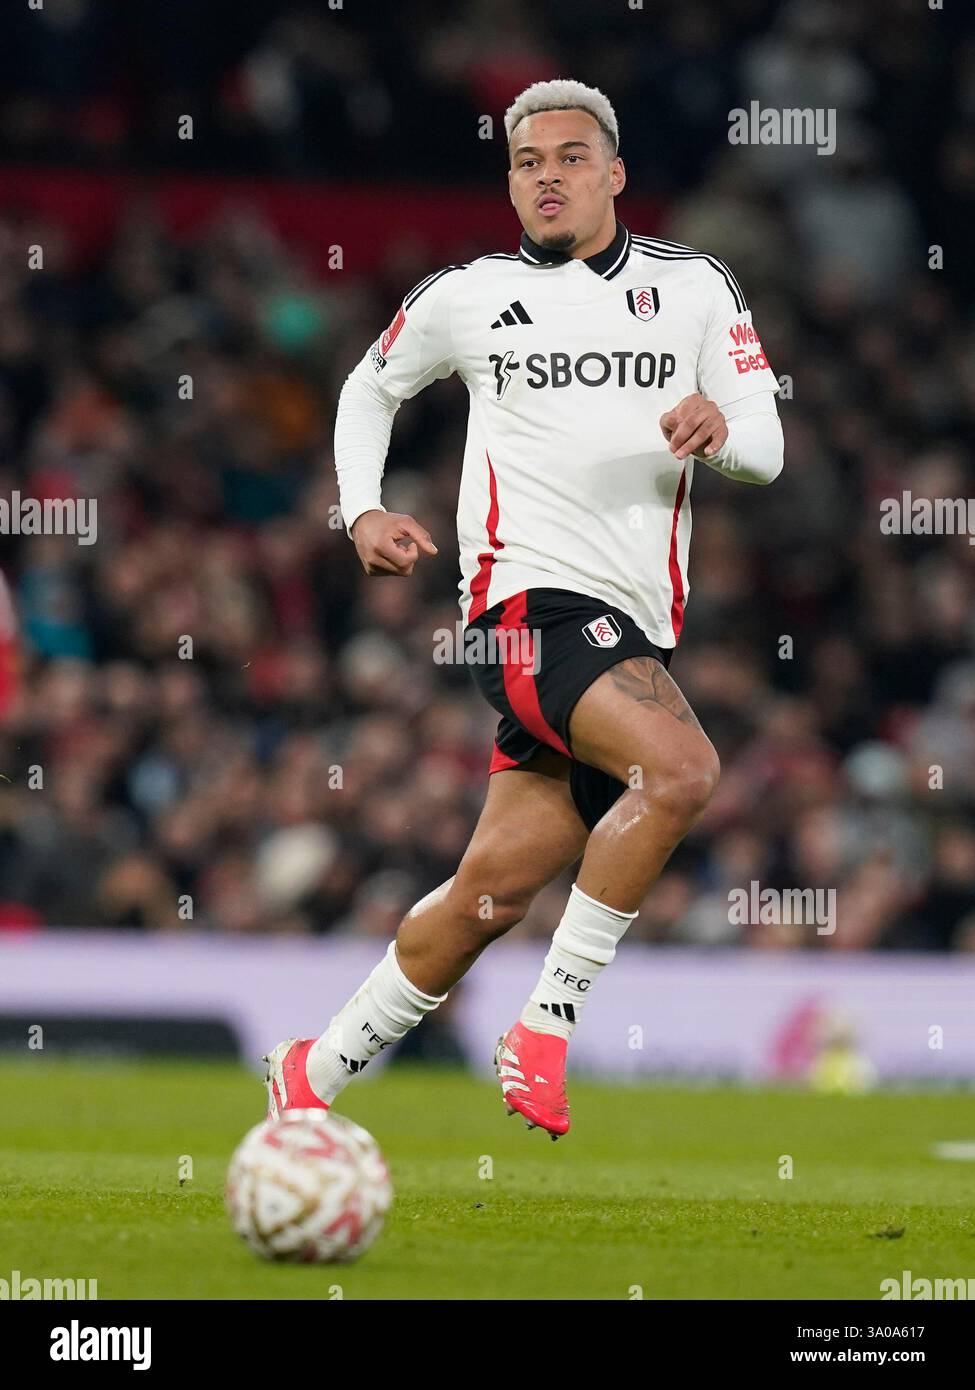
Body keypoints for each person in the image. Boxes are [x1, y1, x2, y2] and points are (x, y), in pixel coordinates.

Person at [265, 79, 783, 1137]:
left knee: (487, 897)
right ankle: (547, 1027)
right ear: (510, 181)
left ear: (615, 172)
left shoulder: (695, 289)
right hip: (523, 607)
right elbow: (370, 387)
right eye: (527, 162)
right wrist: (359, 509)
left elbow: (766, 449)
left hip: (633, 627)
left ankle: (312, 1068)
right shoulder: (468, 293)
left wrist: (715, 429)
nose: (547, 176)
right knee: (682, 769)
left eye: (570, 157)